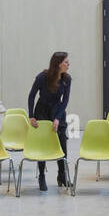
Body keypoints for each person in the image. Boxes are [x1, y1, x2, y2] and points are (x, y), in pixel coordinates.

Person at [27, 51, 71, 191]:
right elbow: (31, 96)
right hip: (42, 111)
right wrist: (31, 115)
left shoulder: (67, 79)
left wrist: (58, 118)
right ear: (58, 64)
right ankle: (41, 176)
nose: (68, 64)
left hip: (58, 112)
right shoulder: (42, 77)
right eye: (66, 62)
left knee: (62, 144)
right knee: (43, 145)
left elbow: (65, 101)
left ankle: (62, 176)